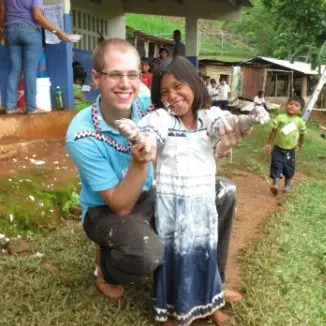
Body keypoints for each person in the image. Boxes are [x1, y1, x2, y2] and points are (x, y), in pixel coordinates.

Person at [66, 39, 247, 306]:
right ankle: (107, 267)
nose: (125, 84)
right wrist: (140, 160)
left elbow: (191, 130)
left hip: (152, 194)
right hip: (107, 210)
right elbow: (121, 205)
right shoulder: (82, 135)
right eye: (115, 74)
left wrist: (220, 143)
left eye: (132, 75)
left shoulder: (148, 106)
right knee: (147, 253)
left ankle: (211, 285)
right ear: (96, 78)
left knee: (223, 192)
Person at [115, 56, 269, 326]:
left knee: (204, 254)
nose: (172, 96)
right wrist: (139, 138)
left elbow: (231, 125)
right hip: (171, 207)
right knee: (174, 258)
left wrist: (251, 119)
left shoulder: (209, 117)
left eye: (178, 86)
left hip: (202, 204)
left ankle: (210, 305)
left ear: (195, 85)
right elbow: (152, 137)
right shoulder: (160, 118)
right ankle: (168, 313)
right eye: (164, 92)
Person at [0, 0, 69, 115]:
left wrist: (1, 30)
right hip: (30, 31)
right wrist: (57, 32)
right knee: (30, 70)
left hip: (11, 31)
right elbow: (37, 16)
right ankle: (31, 108)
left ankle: (10, 108)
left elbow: (2, 11)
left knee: (14, 70)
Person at [263, 95, 306, 195]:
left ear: (300, 110)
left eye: (296, 105)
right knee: (276, 165)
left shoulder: (300, 122)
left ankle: (287, 186)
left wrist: (300, 145)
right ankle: (276, 185)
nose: (292, 106)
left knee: (289, 168)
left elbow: (303, 134)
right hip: (277, 149)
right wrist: (269, 143)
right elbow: (273, 132)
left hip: (290, 151)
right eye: (290, 104)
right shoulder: (280, 118)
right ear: (286, 105)